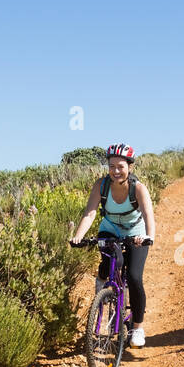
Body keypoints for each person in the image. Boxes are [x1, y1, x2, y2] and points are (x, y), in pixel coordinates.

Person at [69, 144, 156, 347]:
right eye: (111, 166)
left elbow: (148, 215)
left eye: (120, 166)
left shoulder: (138, 188)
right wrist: (78, 236)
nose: (116, 171)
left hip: (135, 233)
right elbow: (90, 213)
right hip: (110, 229)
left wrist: (148, 237)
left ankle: (138, 328)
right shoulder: (101, 185)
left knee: (134, 277)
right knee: (108, 266)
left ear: (130, 167)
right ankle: (105, 289)